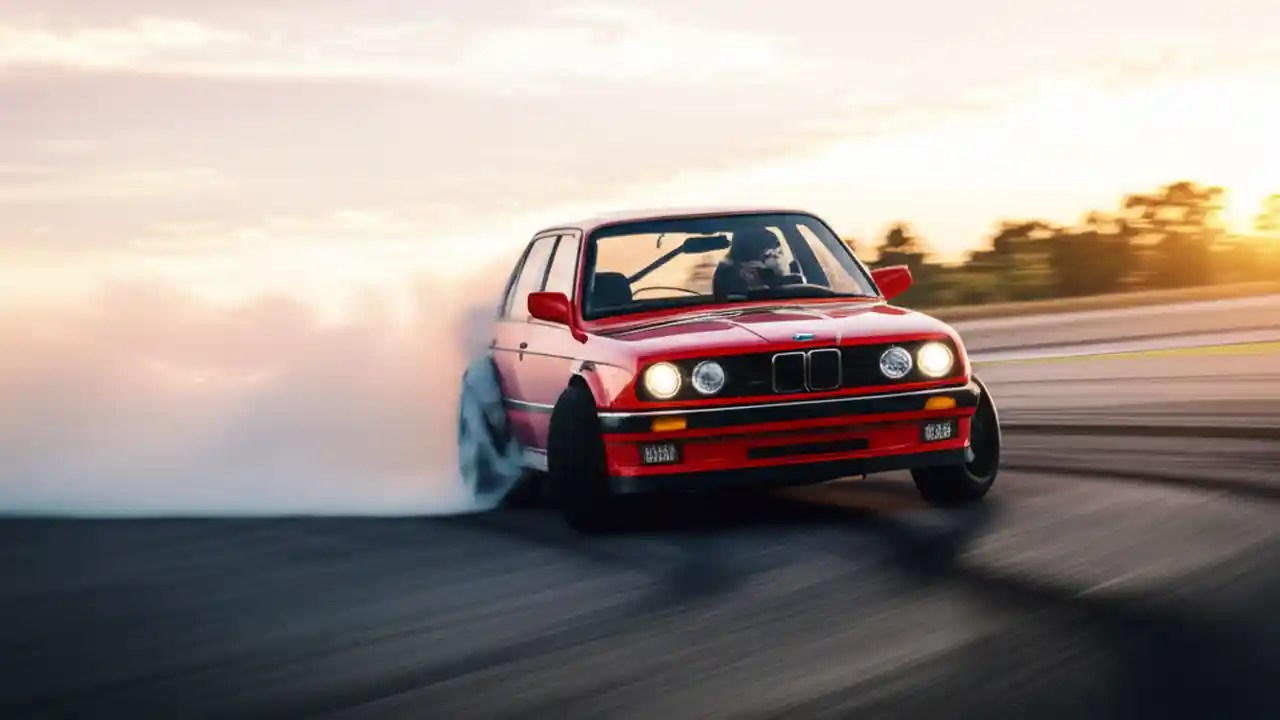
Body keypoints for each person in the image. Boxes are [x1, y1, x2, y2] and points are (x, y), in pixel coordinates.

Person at [712, 227, 791, 298]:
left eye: (778, 252)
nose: (775, 256)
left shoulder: (725, 271)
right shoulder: (734, 273)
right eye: (769, 254)